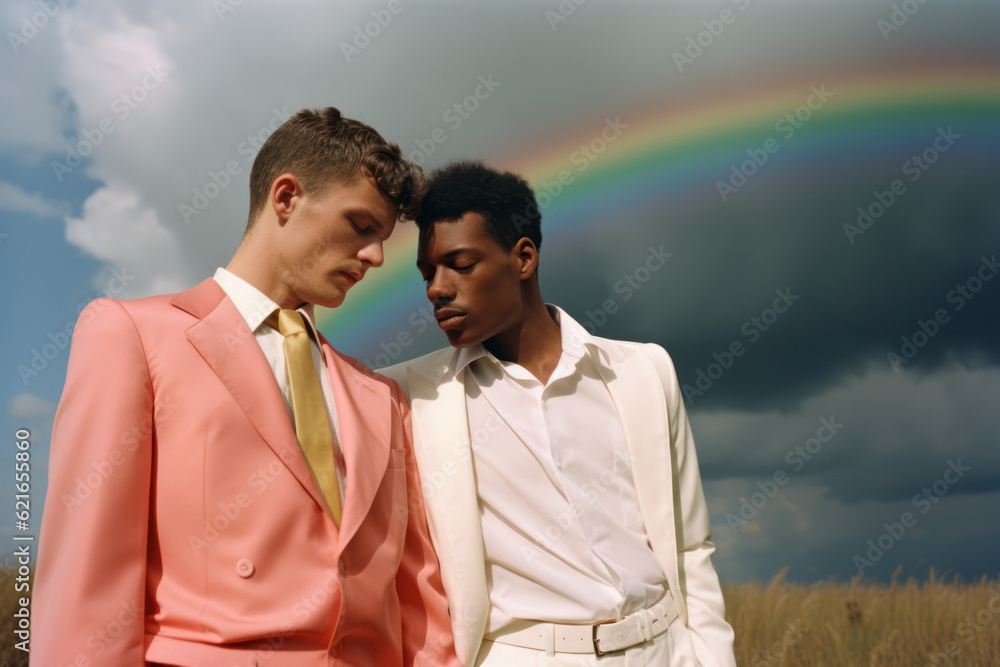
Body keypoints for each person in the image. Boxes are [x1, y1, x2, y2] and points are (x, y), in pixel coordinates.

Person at [32, 107, 460, 667]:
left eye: (382, 238)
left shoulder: (381, 395)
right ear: (286, 198)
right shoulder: (131, 335)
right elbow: (85, 583)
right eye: (361, 226)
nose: (376, 256)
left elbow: (418, 602)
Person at [380, 161, 736, 666]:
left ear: (523, 258)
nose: (436, 288)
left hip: (664, 649)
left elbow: (689, 546)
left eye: (460, 264)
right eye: (427, 273)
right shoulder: (406, 394)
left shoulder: (643, 370)